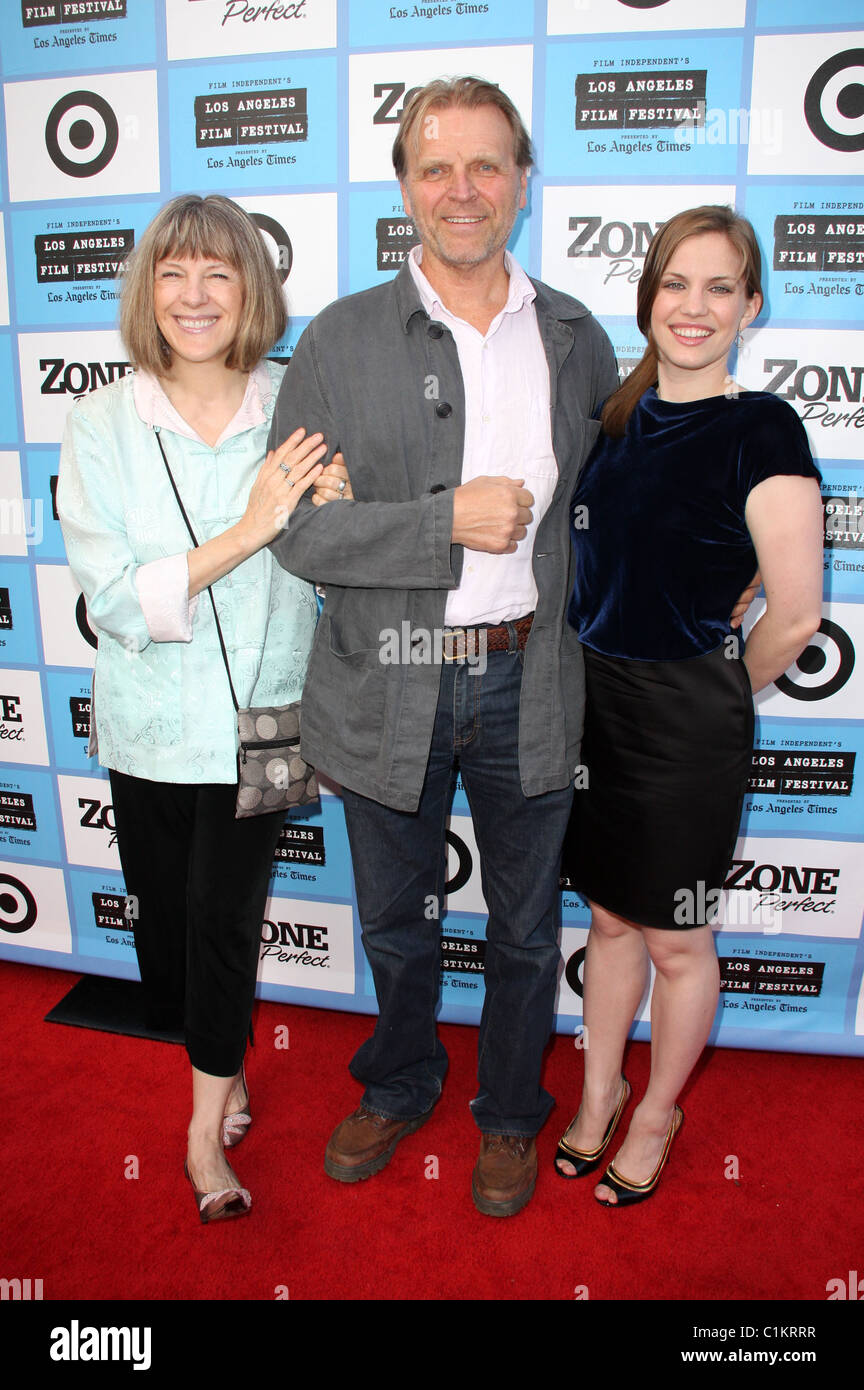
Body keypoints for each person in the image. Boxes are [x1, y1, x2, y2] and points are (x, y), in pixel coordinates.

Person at [268, 76, 619, 1218]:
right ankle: (402, 1080)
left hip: (531, 679)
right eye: (434, 168)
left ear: (520, 182)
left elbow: (607, 518)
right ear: (403, 188)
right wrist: (440, 522)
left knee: (523, 928)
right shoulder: (334, 339)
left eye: (483, 166)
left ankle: (511, 1113)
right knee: (393, 922)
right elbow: (297, 533)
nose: (459, 190)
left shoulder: (574, 338)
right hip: (387, 678)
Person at [57, 194, 349, 1223]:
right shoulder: (100, 419)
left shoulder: (297, 404)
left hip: (263, 726)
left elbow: (339, 544)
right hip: (147, 725)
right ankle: (220, 1070)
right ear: (147, 289)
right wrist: (249, 526)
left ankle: (198, 1137)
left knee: (225, 925)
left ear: (250, 290)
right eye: (175, 272)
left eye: (218, 273)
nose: (194, 295)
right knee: (169, 947)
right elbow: (109, 600)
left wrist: (335, 503)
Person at [554, 205, 824, 1205]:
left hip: (685, 723)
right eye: (675, 283)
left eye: (719, 287)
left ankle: (657, 1109)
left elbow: (792, 617)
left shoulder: (758, 427)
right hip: (593, 708)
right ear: (648, 298)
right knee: (610, 921)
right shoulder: (614, 421)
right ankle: (597, 1089)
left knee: (677, 936)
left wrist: (710, 693)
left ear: (748, 307)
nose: (694, 305)